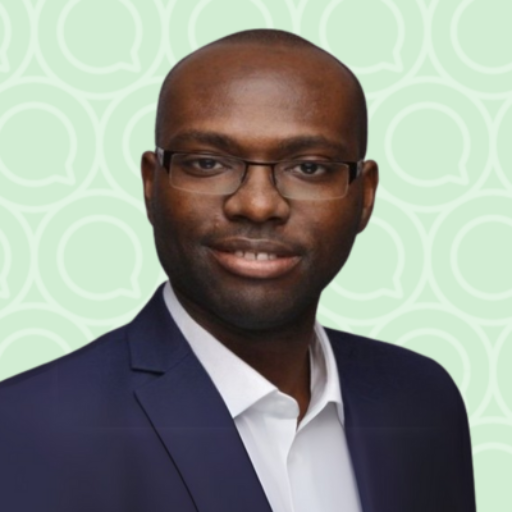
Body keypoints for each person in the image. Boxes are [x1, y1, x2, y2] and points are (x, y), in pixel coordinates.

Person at [0, 30, 476, 512]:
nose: (258, 204)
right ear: (151, 185)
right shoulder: (26, 429)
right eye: (208, 163)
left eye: (309, 168)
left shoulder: (422, 401)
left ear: (365, 196)